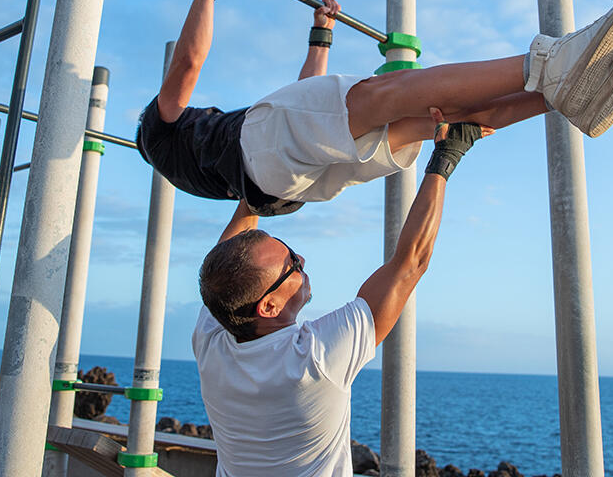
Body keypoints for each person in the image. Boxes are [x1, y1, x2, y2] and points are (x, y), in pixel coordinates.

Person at [136, 0, 613, 215]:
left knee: (440, 117)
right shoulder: (161, 132)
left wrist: (320, 36)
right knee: (392, 90)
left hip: (288, 190)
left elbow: (310, 108)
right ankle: (552, 64)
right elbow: (186, 66)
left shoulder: (192, 168)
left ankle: (565, 98)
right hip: (262, 154)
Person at [193, 107, 487, 476]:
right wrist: (447, 156)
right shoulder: (313, 362)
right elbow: (409, 264)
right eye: (292, 267)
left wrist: (254, 196)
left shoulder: (215, 332)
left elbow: (231, 255)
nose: (301, 258)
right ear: (268, 306)